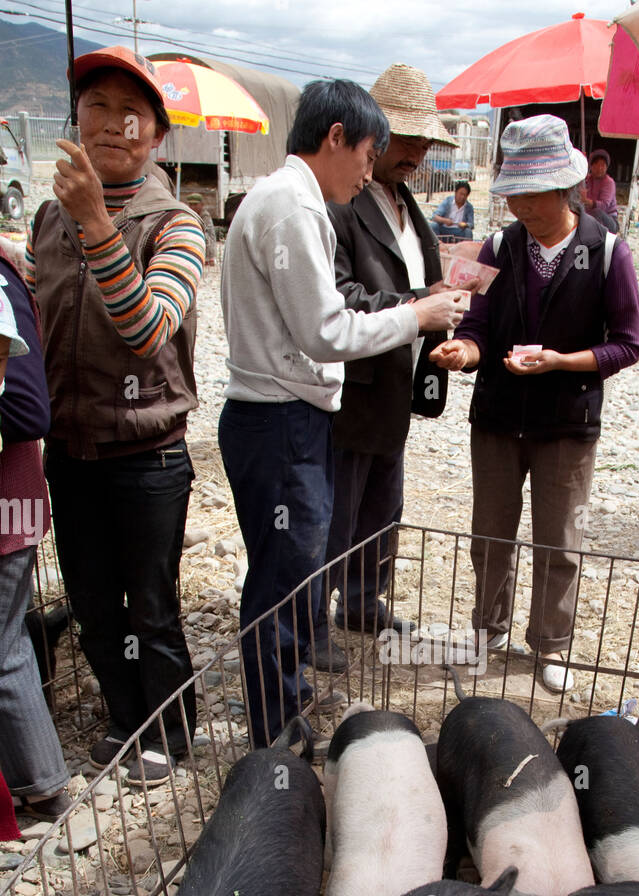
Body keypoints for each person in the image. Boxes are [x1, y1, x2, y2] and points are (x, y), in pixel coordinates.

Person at [218, 78, 465, 747]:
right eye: (367, 152)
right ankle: (276, 730)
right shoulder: (294, 209)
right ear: (336, 138)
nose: (368, 170)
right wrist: (416, 314)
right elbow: (328, 333)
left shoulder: (284, 199)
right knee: (283, 579)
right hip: (281, 421)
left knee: (295, 572)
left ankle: (288, 699)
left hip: (283, 416)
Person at [27, 45, 205, 786]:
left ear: (155, 136)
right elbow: (39, 315)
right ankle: (123, 713)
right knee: (95, 604)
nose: (110, 123)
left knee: (151, 606)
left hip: (148, 454)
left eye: (130, 112)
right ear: (75, 119)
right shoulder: (47, 216)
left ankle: (169, 725)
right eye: (95, 104)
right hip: (69, 449)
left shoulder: (178, 226)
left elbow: (147, 331)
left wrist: (97, 222)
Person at [430, 114, 639, 694]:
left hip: (567, 422)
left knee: (559, 537)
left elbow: (627, 344)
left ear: (564, 188)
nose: (521, 205)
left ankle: (552, 642)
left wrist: (559, 361)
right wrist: (463, 353)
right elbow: (475, 325)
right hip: (498, 417)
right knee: (490, 530)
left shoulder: (607, 253)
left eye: (531, 194)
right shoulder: (497, 247)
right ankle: (488, 628)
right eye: (513, 194)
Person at [309, 62, 459, 671]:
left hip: (394, 380)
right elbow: (340, 298)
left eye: (427, 141)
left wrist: (441, 291)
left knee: (382, 503)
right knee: (335, 507)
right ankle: (311, 617)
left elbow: (411, 277)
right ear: (374, 136)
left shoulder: (406, 203)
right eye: (409, 139)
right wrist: (416, 308)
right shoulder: (339, 204)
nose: (419, 152)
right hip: (355, 382)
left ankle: (364, 601)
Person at [0, 258, 70, 821]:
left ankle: (42, 784)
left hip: (8, 508)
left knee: (4, 649)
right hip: (12, 507)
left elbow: (27, 408)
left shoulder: (2, 280)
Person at [583, 149, 618, 230]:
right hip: (590, 218)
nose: (599, 168)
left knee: (597, 213)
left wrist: (587, 202)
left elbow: (604, 206)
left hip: (609, 219)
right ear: (591, 166)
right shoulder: (586, 180)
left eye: (602, 165)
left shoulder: (609, 182)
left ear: (606, 167)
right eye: (596, 164)